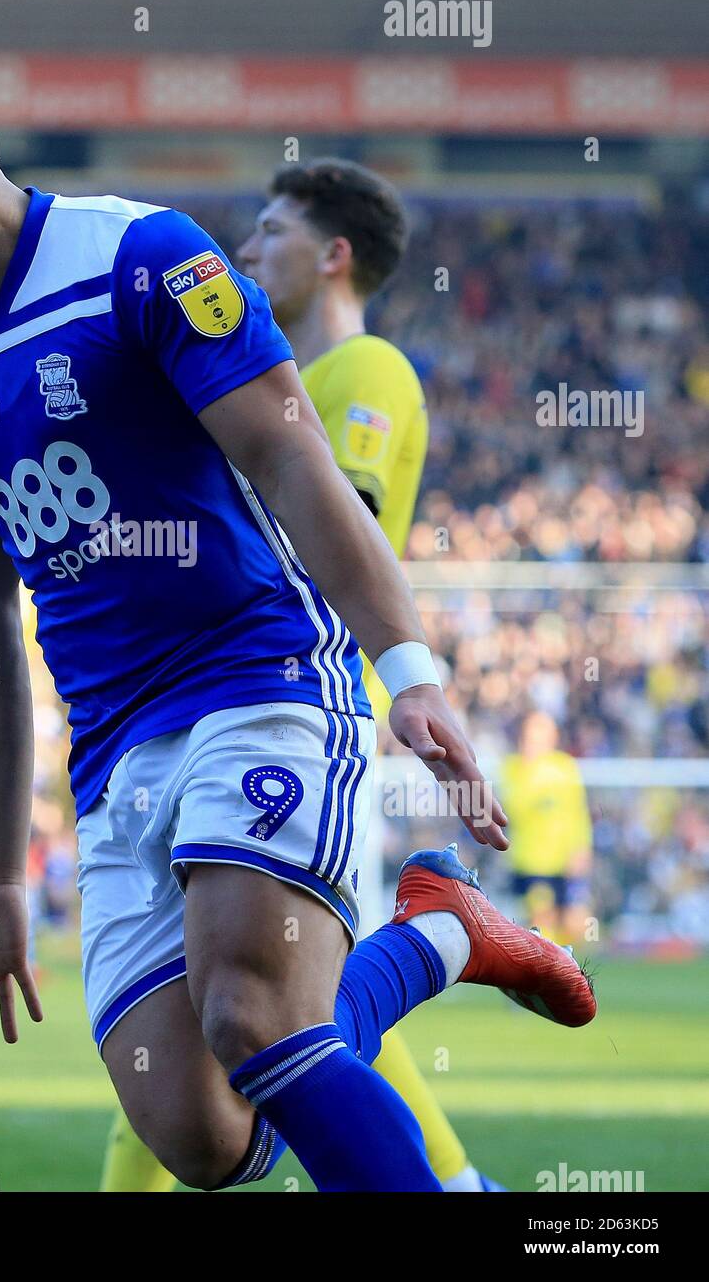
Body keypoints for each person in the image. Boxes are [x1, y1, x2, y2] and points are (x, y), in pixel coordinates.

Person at [0, 43, 595, 1193]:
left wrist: (408, 665)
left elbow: (291, 453)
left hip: (256, 677)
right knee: (206, 1137)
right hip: (115, 753)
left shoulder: (141, 255)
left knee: (253, 1018)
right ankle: (441, 934)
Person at [99, 157, 497, 1193]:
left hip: (293, 709)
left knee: (260, 1017)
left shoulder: (366, 373)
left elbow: (337, 521)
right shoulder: (246, 382)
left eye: (270, 230)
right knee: (218, 1025)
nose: (245, 248)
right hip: (213, 704)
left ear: (333, 255)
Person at [498, 712, 594, 947]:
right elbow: (512, 810)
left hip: (565, 859)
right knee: (542, 920)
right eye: (530, 737)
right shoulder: (512, 768)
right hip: (531, 861)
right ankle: (549, 969)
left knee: (576, 922)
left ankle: (565, 966)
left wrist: (582, 847)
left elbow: (578, 813)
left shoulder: (565, 767)